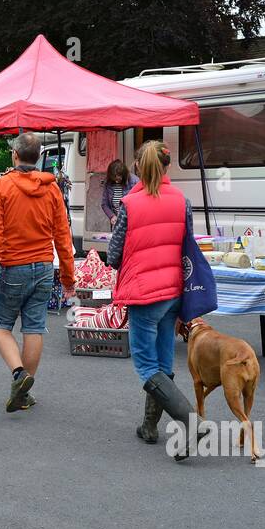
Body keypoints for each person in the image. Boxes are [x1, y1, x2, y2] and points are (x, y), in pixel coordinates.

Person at [107, 141, 199, 460]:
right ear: (168, 166)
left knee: (146, 365)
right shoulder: (182, 201)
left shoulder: (130, 204)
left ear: (138, 167)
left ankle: (189, 420)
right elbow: (188, 247)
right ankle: (149, 426)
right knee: (163, 363)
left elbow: (114, 253)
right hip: (173, 291)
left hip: (144, 293)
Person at [0, 132, 76, 414]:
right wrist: (69, 278)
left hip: (14, 266)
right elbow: (63, 236)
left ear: (14, 155)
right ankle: (22, 393)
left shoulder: (1, 187)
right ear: (38, 158)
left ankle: (19, 374)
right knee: (34, 327)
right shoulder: (52, 190)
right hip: (45, 266)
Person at [100, 159, 138, 228]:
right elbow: (104, 204)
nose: (116, 181)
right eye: (114, 178)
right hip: (117, 224)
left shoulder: (135, 181)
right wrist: (112, 216)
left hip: (132, 223)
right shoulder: (108, 183)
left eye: (119, 178)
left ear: (124, 174)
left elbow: (139, 204)